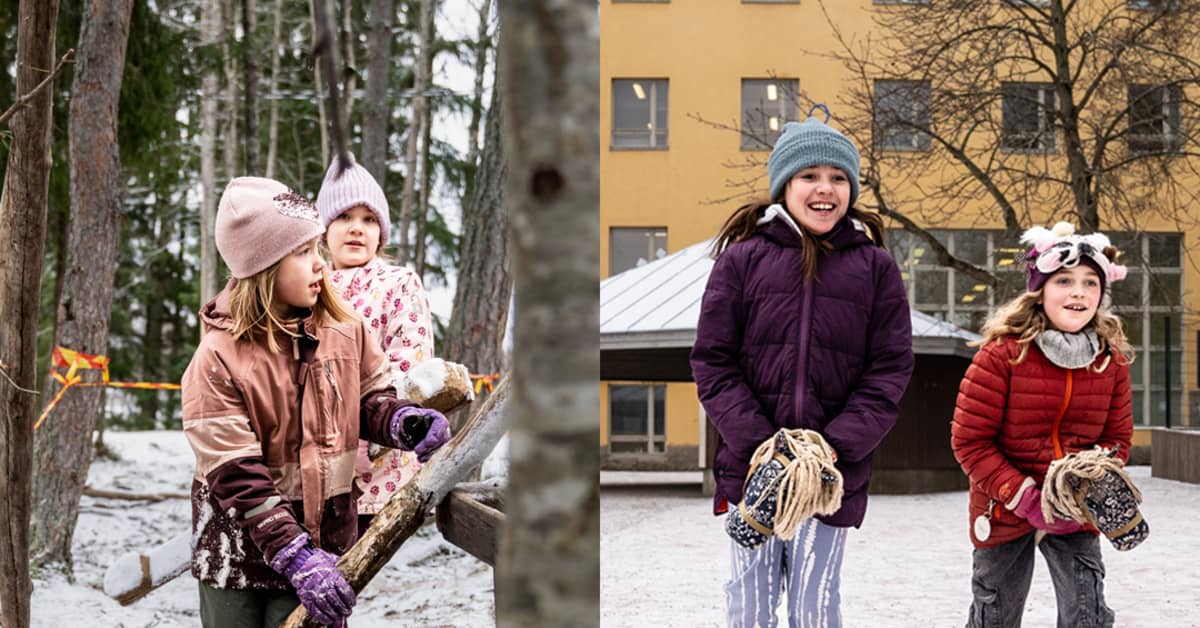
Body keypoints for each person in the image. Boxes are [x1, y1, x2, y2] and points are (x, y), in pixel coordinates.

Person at [181, 177, 452, 627]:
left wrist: (403, 421)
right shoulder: (217, 356)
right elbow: (235, 472)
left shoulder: (346, 329)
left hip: (323, 547)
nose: (320, 264)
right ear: (264, 266)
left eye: (316, 248)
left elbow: (367, 400)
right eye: (303, 252)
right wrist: (293, 553)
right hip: (238, 554)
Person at [690, 105, 915, 628]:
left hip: (830, 476)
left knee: (815, 607)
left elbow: (889, 369)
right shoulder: (742, 260)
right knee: (750, 608)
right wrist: (765, 448)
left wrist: (830, 448)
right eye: (810, 175)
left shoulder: (875, 267)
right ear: (785, 185)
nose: (825, 188)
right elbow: (713, 361)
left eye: (839, 177)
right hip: (754, 471)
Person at [951, 221, 1134, 628]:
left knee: (1087, 615)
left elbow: (1117, 439)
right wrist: (1026, 498)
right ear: (1040, 290)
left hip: (1076, 508)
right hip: (1005, 506)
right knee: (995, 616)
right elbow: (970, 442)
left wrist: (1086, 482)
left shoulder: (1110, 361)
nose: (1078, 292)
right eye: (1064, 281)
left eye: (1090, 283)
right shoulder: (1002, 356)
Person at [315, 154, 436, 536]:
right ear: (323, 229)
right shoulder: (308, 286)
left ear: (381, 232)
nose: (357, 228)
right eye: (344, 217)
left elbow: (409, 366)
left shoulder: (397, 284)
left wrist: (364, 435)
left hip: (379, 463)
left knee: (356, 557)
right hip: (313, 461)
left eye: (369, 220)